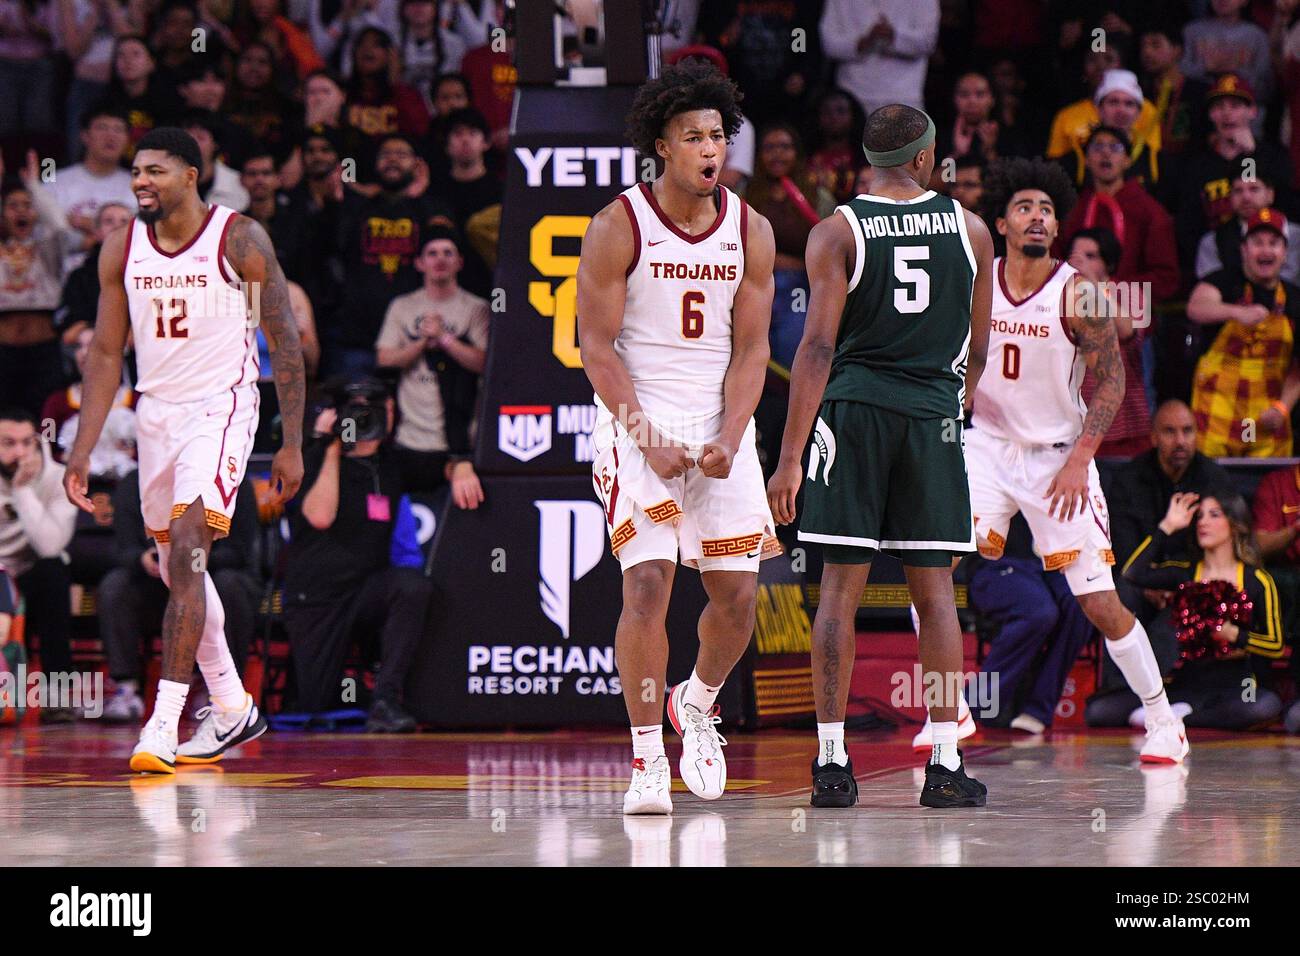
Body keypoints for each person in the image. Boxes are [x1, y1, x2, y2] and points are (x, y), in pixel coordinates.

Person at [767, 104, 995, 808]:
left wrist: (789, 458)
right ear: (926, 159)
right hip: (931, 419)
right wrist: (949, 407)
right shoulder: (974, 230)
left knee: (840, 588)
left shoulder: (836, 230)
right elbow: (978, 350)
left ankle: (833, 763)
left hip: (853, 415)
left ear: (867, 161)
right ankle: (944, 764)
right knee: (935, 595)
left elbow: (816, 348)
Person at [63, 126, 306, 774]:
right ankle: (231, 706)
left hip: (222, 408)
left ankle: (163, 721)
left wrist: (293, 443)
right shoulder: (120, 246)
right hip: (156, 415)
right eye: (136, 171)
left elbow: (282, 342)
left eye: (155, 171)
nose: (140, 180)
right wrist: (82, 448)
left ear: (192, 176)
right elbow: (108, 354)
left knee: (192, 548)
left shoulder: (240, 238)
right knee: (178, 571)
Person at [576, 61, 779, 815]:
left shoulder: (751, 229)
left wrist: (731, 434)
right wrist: (645, 433)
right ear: (661, 145)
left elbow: (753, 351)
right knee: (649, 582)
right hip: (638, 419)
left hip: (717, 418)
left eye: (717, 134)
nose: (709, 148)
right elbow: (595, 347)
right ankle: (645, 760)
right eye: (692, 135)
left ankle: (697, 702)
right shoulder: (615, 225)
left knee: (737, 597)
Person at [958, 156, 1188, 764]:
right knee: (933, 556)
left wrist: (1080, 459)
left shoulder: (1078, 292)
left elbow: (1112, 381)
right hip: (984, 444)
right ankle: (947, 709)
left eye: (1048, 209)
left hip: (1057, 456)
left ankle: (1164, 721)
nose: (1038, 216)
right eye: (1025, 206)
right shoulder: (977, 281)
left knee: (1098, 601)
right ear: (1001, 222)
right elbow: (968, 361)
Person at [284, 378, 432, 732]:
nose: (363, 421)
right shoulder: (311, 456)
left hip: (365, 592)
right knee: (317, 703)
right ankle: (349, 692)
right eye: (355, 412)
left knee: (412, 587)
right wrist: (333, 446)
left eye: (374, 411)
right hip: (317, 597)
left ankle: (386, 699)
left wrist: (458, 468)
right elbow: (319, 516)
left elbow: (438, 465)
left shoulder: (392, 464)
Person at [1108, 490, 1285, 730]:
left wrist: (1235, 635)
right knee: (1100, 711)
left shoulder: (1257, 580)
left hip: (1239, 684)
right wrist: (1166, 527)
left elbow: (1275, 645)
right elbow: (1132, 574)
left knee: (1262, 705)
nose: (1203, 522)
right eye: (1200, 516)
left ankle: (1179, 720)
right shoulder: (1187, 572)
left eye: (1214, 515)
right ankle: (1175, 715)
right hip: (1191, 681)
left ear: (1235, 524)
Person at [99, 472, 260, 723]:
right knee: (116, 585)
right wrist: (143, 559)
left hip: (211, 575)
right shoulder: (135, 481)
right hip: (155, 586)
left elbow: (239, 552)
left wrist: (189, 561)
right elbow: (123, 547)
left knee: (232, 585)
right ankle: (126, 688)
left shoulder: (232, 479)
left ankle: (217, 689)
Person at [375, 228, 487, 494]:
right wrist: (422, 343)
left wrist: (445, 340)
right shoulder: (402, 307)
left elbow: (484, 364)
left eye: (448, 253)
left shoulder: (476, 307)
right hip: (409, 440)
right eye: (432, 253)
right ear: (419, 262)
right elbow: (384, 359)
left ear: (459, 262)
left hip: (461, 442)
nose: (440, 259)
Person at [1187, 208, 1300, 457]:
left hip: (1267, 423)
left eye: (1273, 243)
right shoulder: (1223, 281)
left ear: (1285, 252)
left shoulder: (1294, 299)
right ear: (1244, 250)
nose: (1265, 250)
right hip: (1216, 420)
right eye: (1257, 242)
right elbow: (1196, 307)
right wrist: (1236, 313)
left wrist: (1283, 407)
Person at [1109, 399, 1232, 620]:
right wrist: (1150, 586)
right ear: (1153, 437)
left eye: (1187, 431)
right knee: (1122, 595)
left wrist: (1179, 585)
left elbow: (1223, 547)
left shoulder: (1214, 479)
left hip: (1192, 580)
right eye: (1169, 432)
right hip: (1138, 582)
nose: (1180, 441)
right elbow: (1123, 553)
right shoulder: (1128, 480)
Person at [0, 407, 78, 721]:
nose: (19, 452)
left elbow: (49, 545)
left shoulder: (59, 478)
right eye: (7, 443)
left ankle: (56, 697)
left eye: (26, 443)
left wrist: (22, 491)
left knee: (53, 572)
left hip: (31, 568)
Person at [1065, 227, 1153, 459]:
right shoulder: (1059, 295)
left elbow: (1126, 330)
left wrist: (1092, 285)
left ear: (1110, 264)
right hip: (1075, 428)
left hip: (1125, 429)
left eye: (1090, 257)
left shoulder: (1130, 293)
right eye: (1074, 255)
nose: (1079, 262)